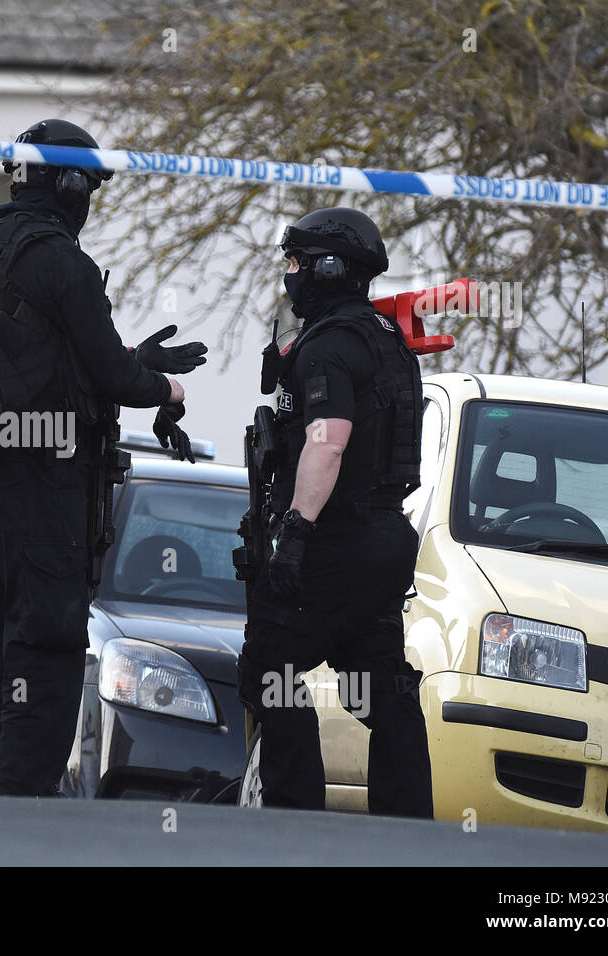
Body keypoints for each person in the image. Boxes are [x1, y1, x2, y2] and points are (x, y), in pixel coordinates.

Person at [0, 119, 196, 797]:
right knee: (47, 640)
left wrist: (132, 361)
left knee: (1, 638)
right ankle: (28, 803)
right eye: (90, 187)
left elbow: (44, 363)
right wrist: (161, 385)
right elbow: (109, 376)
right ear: (72, 183)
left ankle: (9, 791)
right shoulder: (63, 262)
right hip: (47, 491)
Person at [235, 206, 433, 817]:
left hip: (334, 540)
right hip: (385, 540)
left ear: (326, 268)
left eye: (296, 264)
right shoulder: (388, 341)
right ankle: (408, 829)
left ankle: (295, 819)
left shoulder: (329, 348)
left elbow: (329, 438)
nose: (289, 276)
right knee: (380, 685)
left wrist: (294, 533)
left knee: (269, 667)